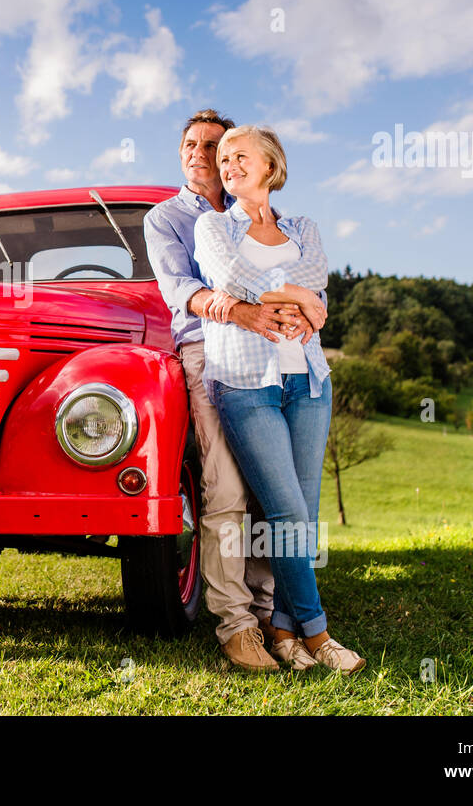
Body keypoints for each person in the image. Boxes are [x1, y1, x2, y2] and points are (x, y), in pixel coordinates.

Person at [193, 124, 365, 675]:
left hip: (309, 382)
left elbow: (318, 276)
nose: (227, 165)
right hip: (245, 382)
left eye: (240, 155)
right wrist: (299, 296)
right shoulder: (211, 225)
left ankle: (286, 633)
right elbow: (232, 276)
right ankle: (319, 635)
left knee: (304, 516)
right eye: (222, 159)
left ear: (271, 165)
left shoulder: (304, 225)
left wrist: (295, 290)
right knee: (286, 511)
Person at [143, 110, 309, 673]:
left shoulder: (265, 217)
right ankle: (235, 623)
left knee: (275, 491)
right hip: (207, 353)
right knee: (226, 490)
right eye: (189, 143)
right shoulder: (166, 218)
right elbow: (180, 289)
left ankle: (268, 609)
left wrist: (301, 312)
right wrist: (243, 310)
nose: (199, 153)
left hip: (277, 354)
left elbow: (303, 282)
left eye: (211, 145)